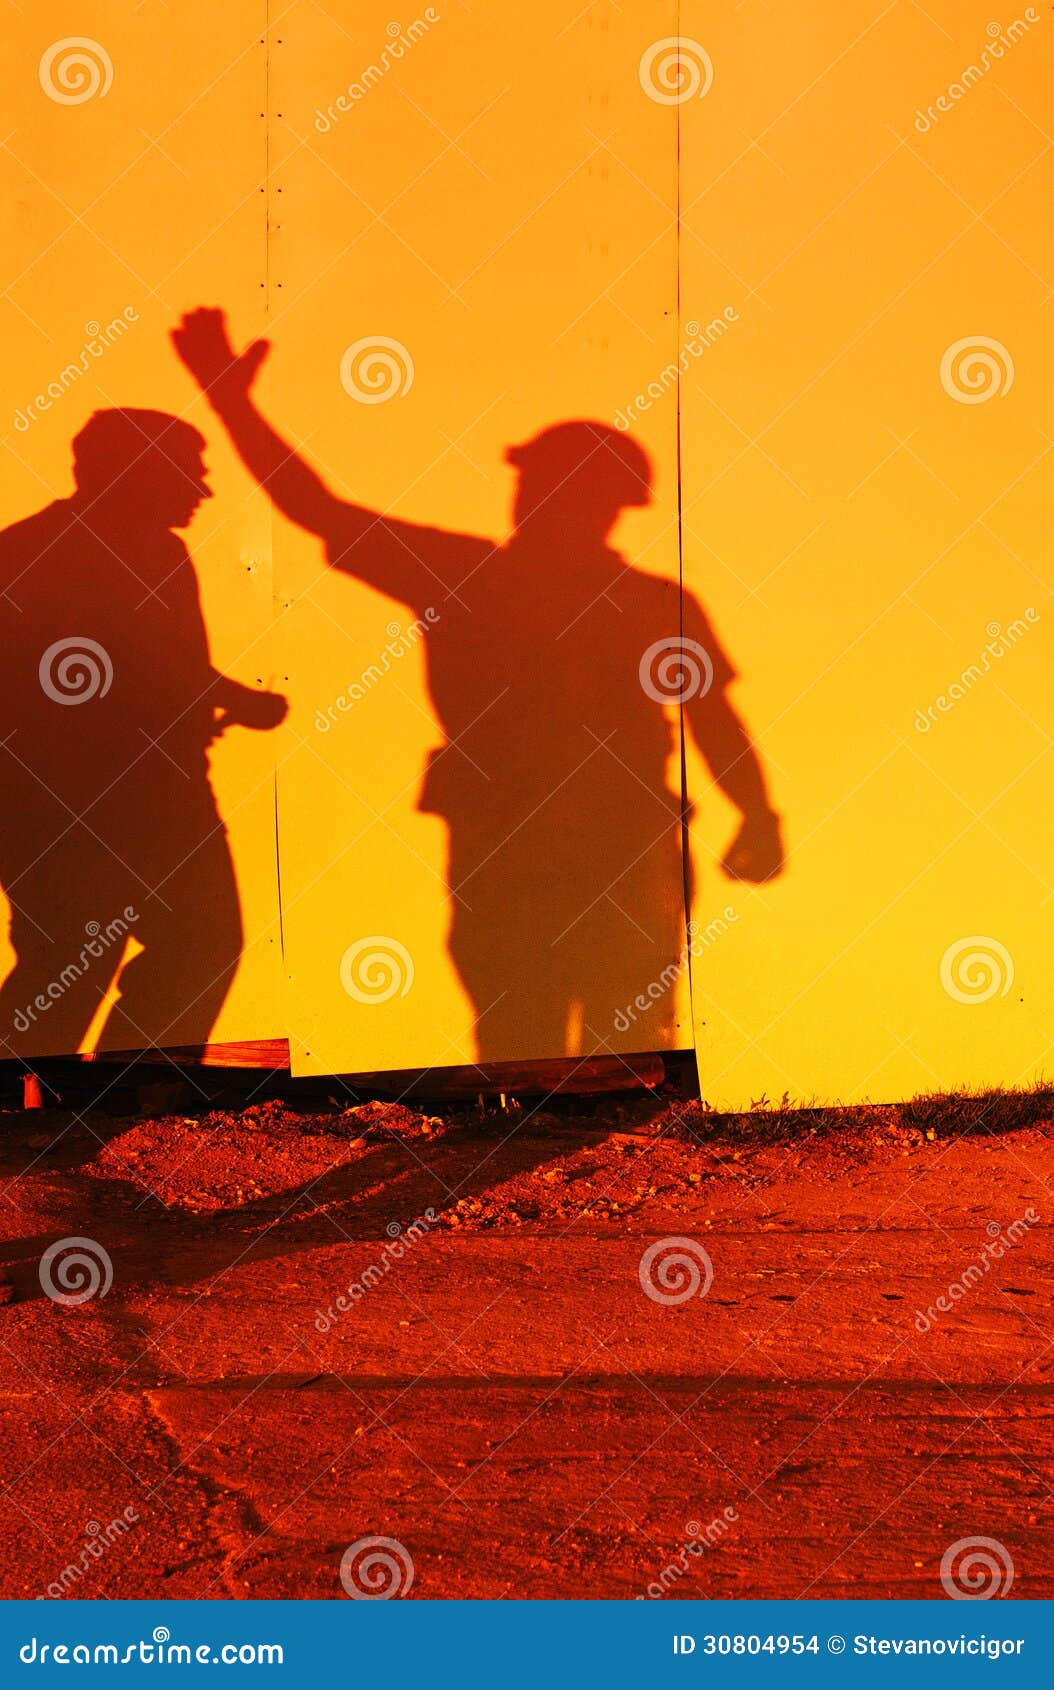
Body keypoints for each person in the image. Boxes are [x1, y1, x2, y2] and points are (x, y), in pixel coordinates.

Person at [172, 309, 783, 1059]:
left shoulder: (491, 582)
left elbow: (710, 716)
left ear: (596, 502)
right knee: (558, 1036)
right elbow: (315, 509)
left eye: (542, 481)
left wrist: (758, 811)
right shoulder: (490, 580)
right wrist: (755, 814)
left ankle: (560, 1159)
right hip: (572, 843)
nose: (525, 494)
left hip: (585, 842)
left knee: (571, 1039)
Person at [0, 408, 287, 1060]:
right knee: (186, 941)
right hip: (135, 798)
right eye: (188, 471)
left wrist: (230, 698)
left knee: (69, 958)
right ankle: (123, 1086)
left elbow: (170, 670)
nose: (204, 489)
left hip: (64, 802)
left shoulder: (24, 549)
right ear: (137, 472)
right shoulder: (138, 551)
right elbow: (158, 672)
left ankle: (97, 1096)